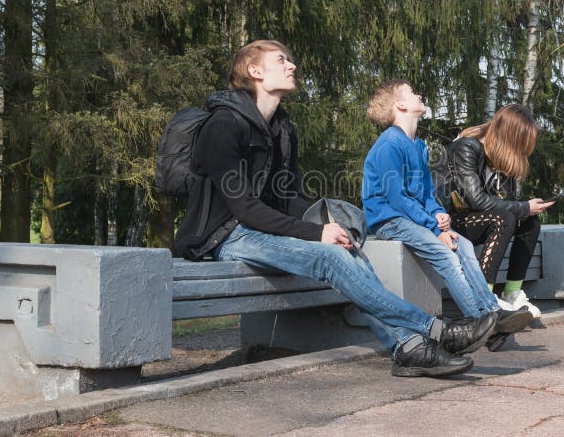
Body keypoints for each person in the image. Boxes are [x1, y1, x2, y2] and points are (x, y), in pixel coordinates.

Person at [174, 40, 497, 378]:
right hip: (225, 236)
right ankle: (436, 330)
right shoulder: (223, 125)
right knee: (330, 256)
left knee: (349, 250)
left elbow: (289, 197)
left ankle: (409, 349)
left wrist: (329, 224)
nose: (292, 66)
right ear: (255, 72)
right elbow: (243, 207)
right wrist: (316, 233)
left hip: (261, 230)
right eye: (281, 60)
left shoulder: (282, 130)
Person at [361, 80, 533, 349]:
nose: (419, 94)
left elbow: (427, 192)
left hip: (413, 217)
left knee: (462, 245)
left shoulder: (418, 146)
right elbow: (397, 198)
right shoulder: (389, 145)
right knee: (445, 254)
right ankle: (480, 321)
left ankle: (492, 315)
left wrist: (439, 215)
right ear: (401, 105)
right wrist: (432, 226)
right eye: (412, 92)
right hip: (389, 220)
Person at [436, 103, 553, 318]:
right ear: (510, 136)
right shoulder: (466, 148)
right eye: (520, 144)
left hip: (476, 218)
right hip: (446, 222)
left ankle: (512, 293)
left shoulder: (500, 156)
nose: (521, 152)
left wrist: (526, 209)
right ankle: (484, 298)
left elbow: (505, 201)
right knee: (505, 218)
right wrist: (524, 206)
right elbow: (477, 201)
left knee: (529, 222)